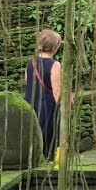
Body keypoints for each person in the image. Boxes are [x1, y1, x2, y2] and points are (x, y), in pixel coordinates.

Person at [22, 29, 63, 160]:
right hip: (48, 106)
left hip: (31, 105)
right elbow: (57, 91)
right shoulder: (55, 65)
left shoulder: (30, 63)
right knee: (49, 138)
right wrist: (64, 109)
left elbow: (28, 83)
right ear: (55, 46)